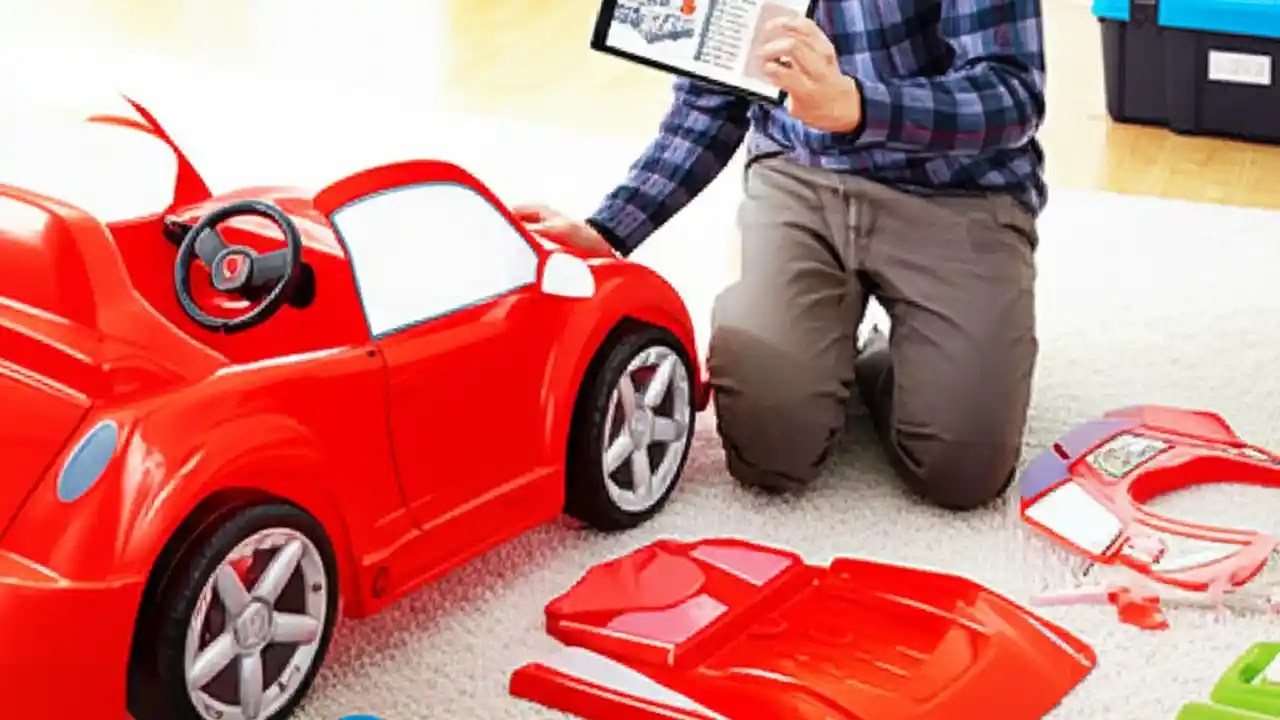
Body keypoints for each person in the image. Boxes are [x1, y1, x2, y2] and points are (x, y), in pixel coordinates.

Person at [515, 1, 1046, 511]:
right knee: (768, 450)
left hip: (955, 186)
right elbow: (712, 98)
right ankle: (829, 341)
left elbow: (1012, 92)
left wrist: (857, 105)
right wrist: (609, 229)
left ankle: (893, 359)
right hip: (801, 171)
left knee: (963, 470)